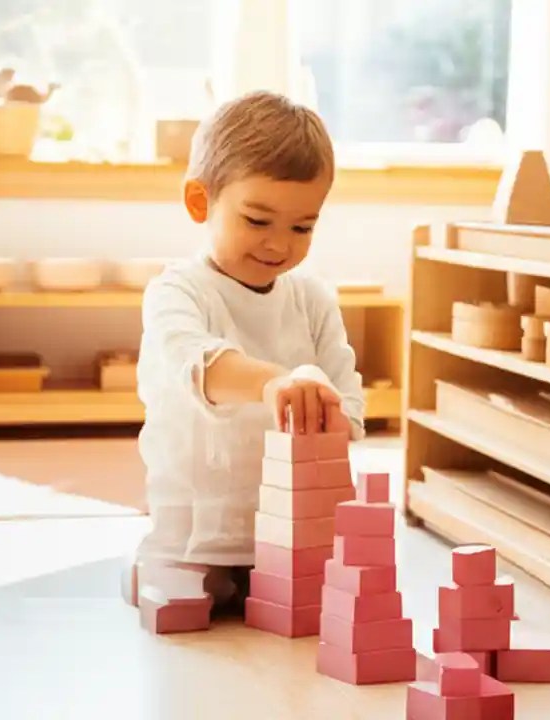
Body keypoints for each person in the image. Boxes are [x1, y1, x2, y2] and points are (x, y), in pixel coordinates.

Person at [127, 91, 364, 623]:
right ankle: (152, 566)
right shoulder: (177, 293)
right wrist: (276, 382)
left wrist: (331, 411)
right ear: (199, 202)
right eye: (258, 221)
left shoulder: (312, 299)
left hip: (292, 530)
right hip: (193, 532)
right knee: (189, 603)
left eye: (302, 227)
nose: (279, 245)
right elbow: (200, 366)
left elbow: (347, 405)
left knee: (318, 608)